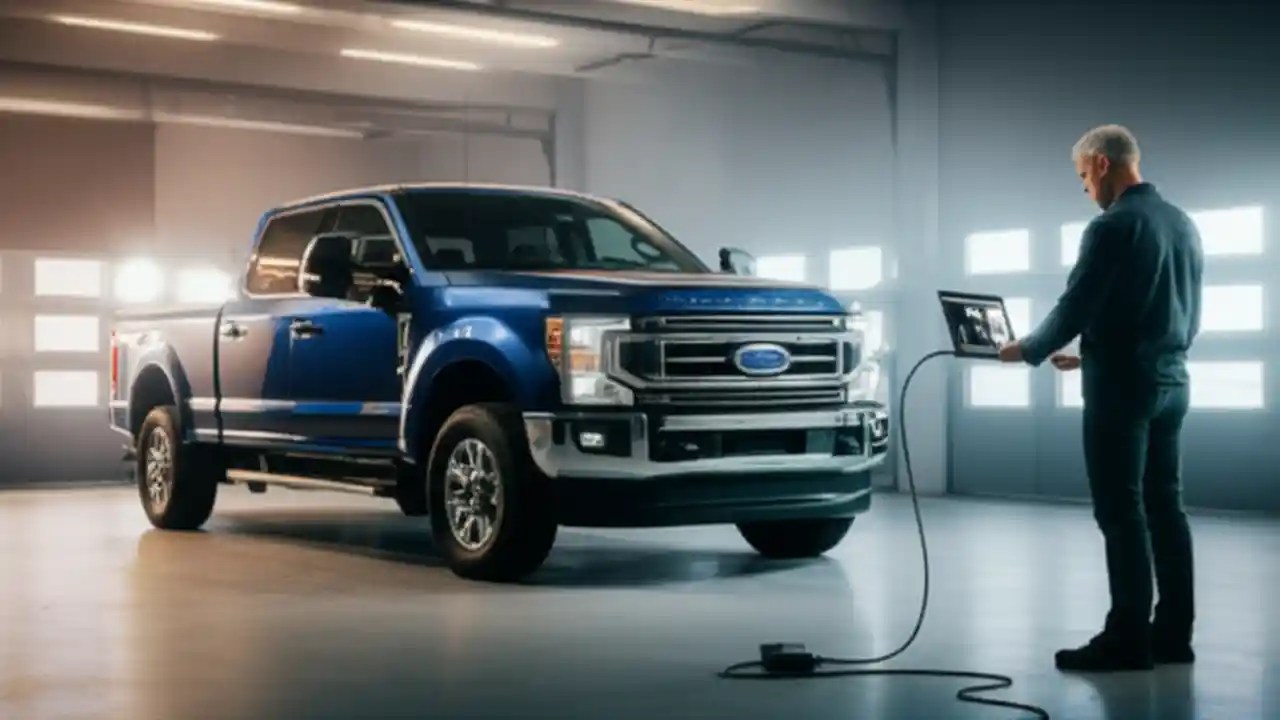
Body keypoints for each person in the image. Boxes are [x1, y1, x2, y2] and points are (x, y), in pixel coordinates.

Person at [998, 124, 1203, 672]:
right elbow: (1177, 315)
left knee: (1121, 510)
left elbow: (1077, 303)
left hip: (1122, 392)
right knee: (1166, 507)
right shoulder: (1182, 223)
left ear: (1102, 163)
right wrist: (1090, 356)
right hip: (1172, 384)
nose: (1085, 189)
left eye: (1083, 177)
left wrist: (1028, 349)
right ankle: (1173, 635)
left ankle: (1127, 639)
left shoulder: (1112, 226)